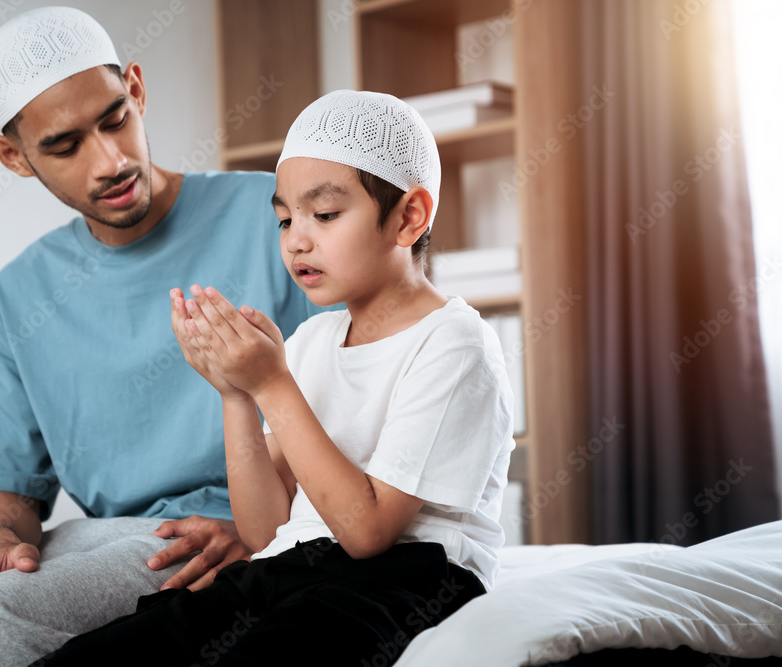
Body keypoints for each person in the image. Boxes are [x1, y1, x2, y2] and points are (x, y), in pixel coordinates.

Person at [0, 7, 331, 667]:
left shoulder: (278, 219)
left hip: (209, 539)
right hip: (85, 541)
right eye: (65, 146)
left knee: (0, 616)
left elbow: (366, 404)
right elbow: (10, 484)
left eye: (115, 119)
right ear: (12, 156)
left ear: (137, 87)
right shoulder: (19, 296)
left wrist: (271, 528)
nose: (110, 161)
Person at [32, 89, 516, 666]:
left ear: (409, 216)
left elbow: (368, 533)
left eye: (326, 214)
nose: (297, 240)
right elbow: (263, 532)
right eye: (286, 218)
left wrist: (271, 385)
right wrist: (235, 395)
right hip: (291, 567)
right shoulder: (313, 340)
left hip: (406, 578)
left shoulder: (453, 342)